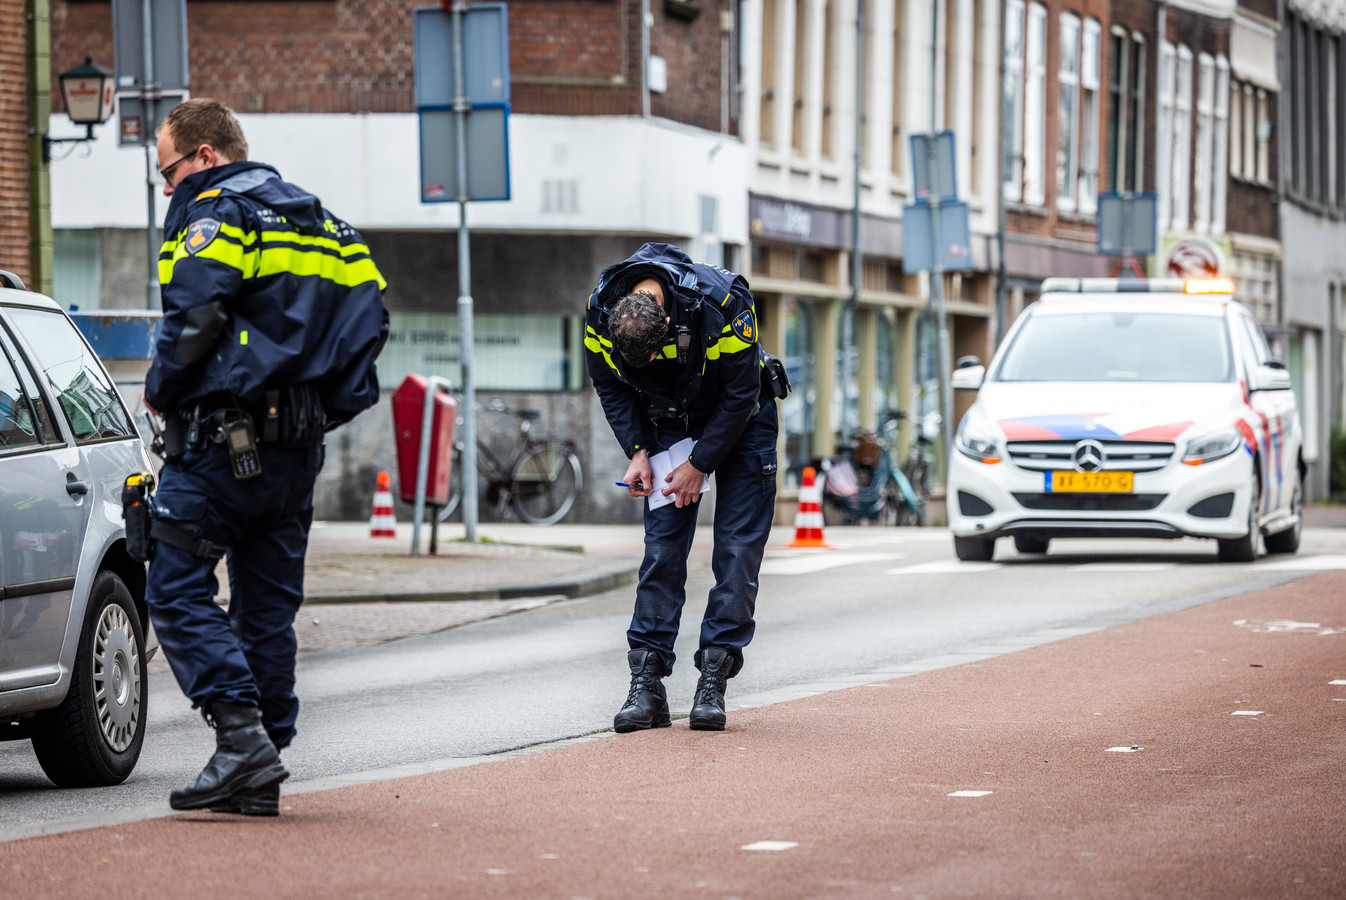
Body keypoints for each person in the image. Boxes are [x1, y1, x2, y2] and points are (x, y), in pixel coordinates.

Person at [141, 99, 388, 815]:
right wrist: (321, 414)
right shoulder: (328, 225)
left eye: (170, 170)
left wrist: (162, 389)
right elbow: (372, 320)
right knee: (267, 612)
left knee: (175, 587)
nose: (168, 188)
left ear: (206, 156)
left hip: (220, 445)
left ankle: (241, 739)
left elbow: (196, 310)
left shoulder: (217, 212)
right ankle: (262, 766)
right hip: (294, 454)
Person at [585, 242, 782, 733]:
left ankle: (713, 677)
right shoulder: (600, 313)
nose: (648, 363)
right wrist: (637, 449)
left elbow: (740, 396)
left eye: (654, 356)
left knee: (736, 550)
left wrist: (700, 463)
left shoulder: (722, 303)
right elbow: (610, 386)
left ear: (670, 325)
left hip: (743, 419)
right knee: (662, 551)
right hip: (668, 423)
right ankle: (647, 684)